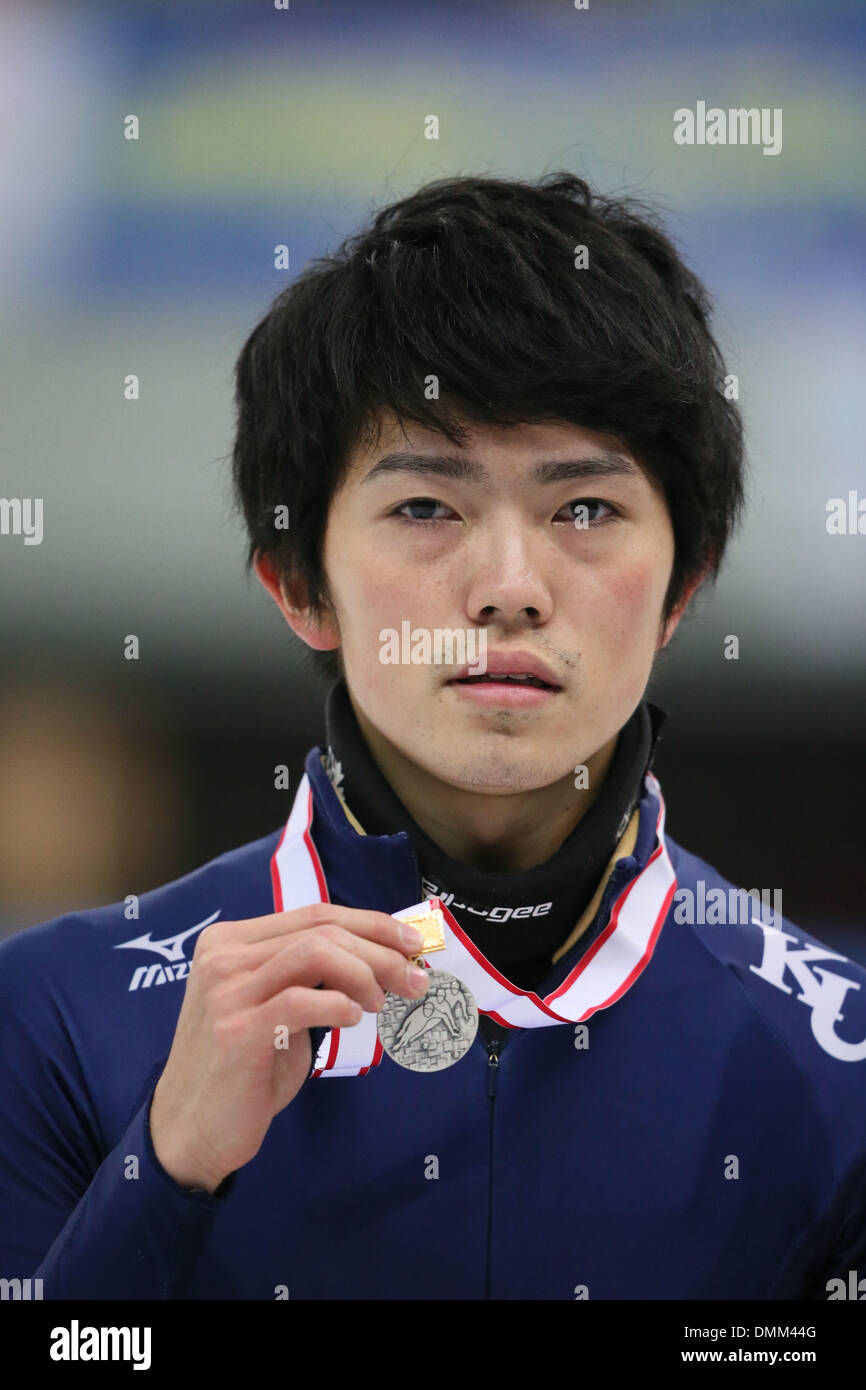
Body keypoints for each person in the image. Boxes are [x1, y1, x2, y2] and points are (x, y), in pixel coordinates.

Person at [1, 173, 864, 1301]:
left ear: (680, 588)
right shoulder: (53, 1014)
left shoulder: (837, 1064)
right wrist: (163, 1172)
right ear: (297, 582)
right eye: (425, 507)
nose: (509, 588)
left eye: (584, 509)